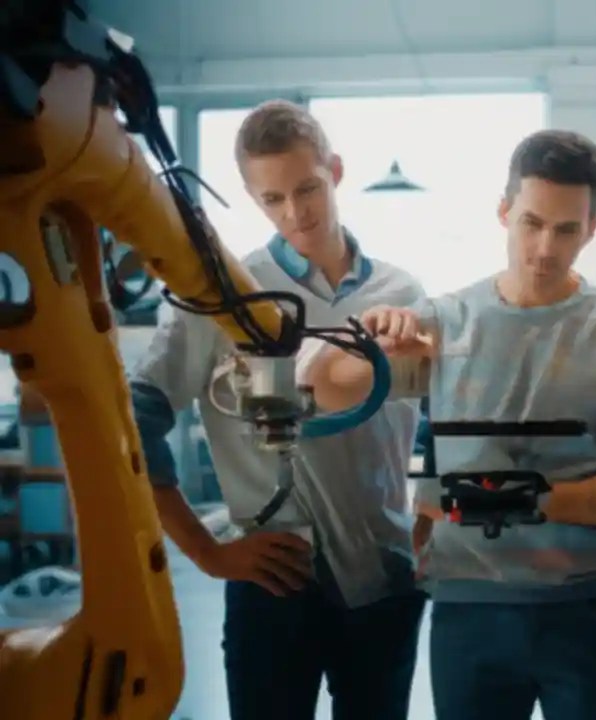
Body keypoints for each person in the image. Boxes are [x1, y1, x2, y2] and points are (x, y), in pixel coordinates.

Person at [302, 129, 596, 720]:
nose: (545, 248)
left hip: (588, 612)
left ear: (592, 227)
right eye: (532, 223)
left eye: (566, 229)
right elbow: (326, 388)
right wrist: (368, 337)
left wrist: (517, 499)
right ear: (504, 211)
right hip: (470, 612)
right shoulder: (445, 322)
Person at [128, 100, 428, 720]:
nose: (296, 212)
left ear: (335, 171)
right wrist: (206, 552)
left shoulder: (401, 293)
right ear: (251, 197)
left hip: (383, 578)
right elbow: (135, 418)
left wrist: (429, 528)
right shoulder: (222, 292)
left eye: (308, 188)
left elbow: (446, 413)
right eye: (273, 198)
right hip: (272, 579)